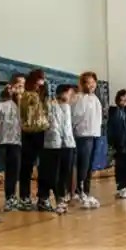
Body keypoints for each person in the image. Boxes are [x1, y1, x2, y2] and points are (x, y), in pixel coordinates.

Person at [39, 84, 77, 213]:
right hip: (53, 145)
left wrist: (69, 141)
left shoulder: (68, 107)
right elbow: (51, 125)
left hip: (68, 144)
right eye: (70, 94)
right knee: (53, 174)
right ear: (62, 93)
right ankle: (51, 199)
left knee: (65, 173)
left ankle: (62, 198)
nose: (72, 97)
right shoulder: (51, 105)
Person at [18, 69, 50, 209]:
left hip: (42, 132)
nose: (41, 82)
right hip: (28, 133)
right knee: (26, 166)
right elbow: (25, 113)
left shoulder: (43, 96)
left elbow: (46, 112)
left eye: (43, 79)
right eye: (39, 79)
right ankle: (24, 197)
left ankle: (43, 197)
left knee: (44, 167)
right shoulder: (26, 96)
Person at [72, 72, 103, 209]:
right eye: (87, 82)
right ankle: (79, 191)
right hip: (83, 135)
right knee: (82, 165)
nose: (91, 85)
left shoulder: (95, 98)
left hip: (94, 134)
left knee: (89, 165)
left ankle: (86, 191)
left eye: (93, 82)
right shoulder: (79, 98)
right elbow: (76, 116)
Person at [0, 74, 26, 210]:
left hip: (18, 142)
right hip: (3, 142)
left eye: (23, 87)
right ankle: (8, 198)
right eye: (18, 86)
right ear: (11, 88)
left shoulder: (25, 106)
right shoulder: (2, 106)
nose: (20, 90)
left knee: (15, 171)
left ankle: (13, 197)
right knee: (1, 171)